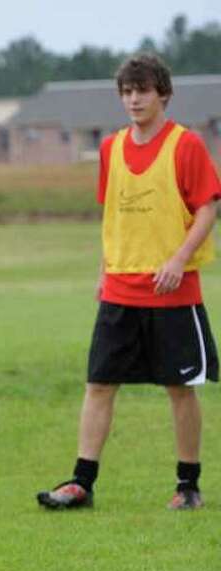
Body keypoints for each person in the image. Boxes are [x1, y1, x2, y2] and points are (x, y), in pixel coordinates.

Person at [37, 54, 221, 511]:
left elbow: (208, 207)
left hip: (171, 291)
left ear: (163, 93)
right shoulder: (111, 148)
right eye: (126, 91)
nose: (134, 98)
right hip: (120, 290)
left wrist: (179, 259)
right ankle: (81, 483)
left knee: (180, 390)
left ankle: (188, 485)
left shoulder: (186, 145)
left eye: (142, 90)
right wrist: (104, 269)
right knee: (99, 384)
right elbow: (112, 214)